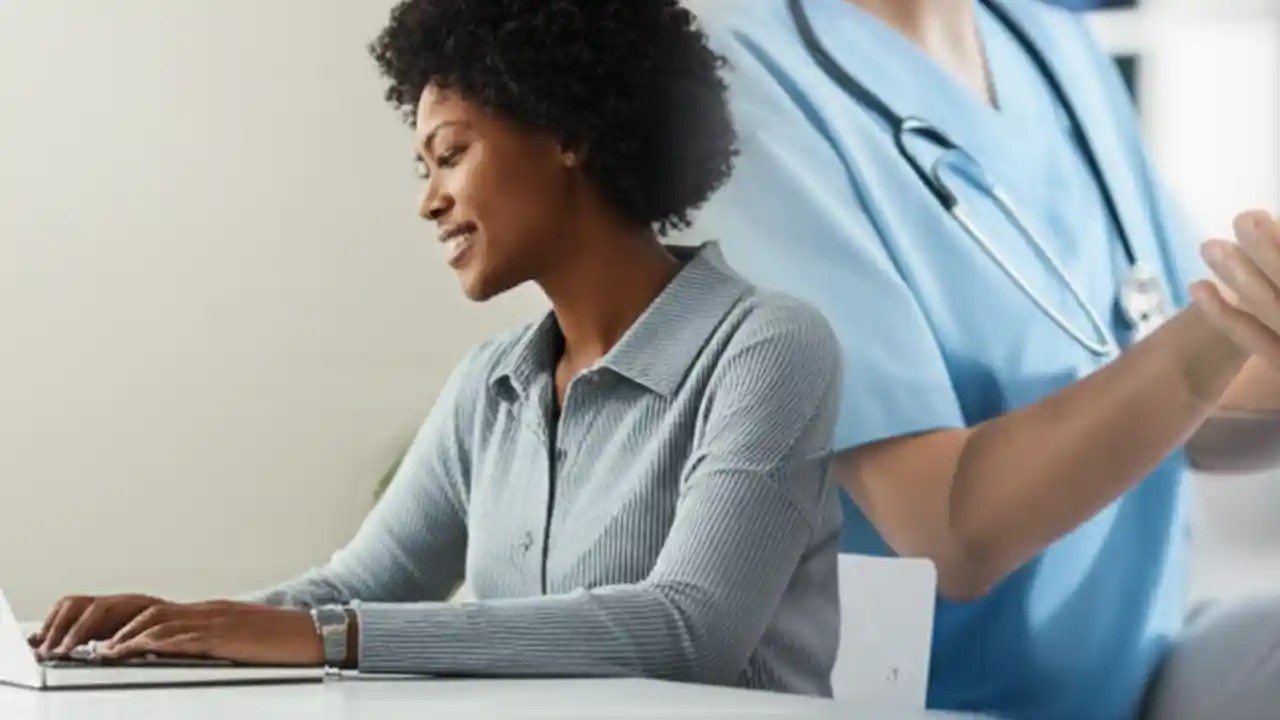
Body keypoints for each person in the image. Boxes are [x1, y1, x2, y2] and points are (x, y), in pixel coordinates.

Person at [28, 0, 845, 695]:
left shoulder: (767, 348)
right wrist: (161, 632)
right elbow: (355, 589)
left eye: (451, 154)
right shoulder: (492, 386)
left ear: (568, 133)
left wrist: (331, 636)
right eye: (424, 166)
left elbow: (688, 629)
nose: (429, 201)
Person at [683, 0, 1280, 717]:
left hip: (1127, 677)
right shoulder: (739, 86)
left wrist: (1263, 333)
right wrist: (1220, 333)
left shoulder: (1047, 44)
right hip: (921, 702)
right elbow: (948, 531)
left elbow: (1192, 412)